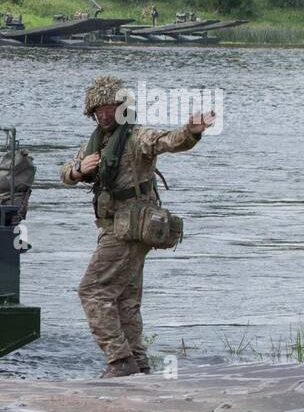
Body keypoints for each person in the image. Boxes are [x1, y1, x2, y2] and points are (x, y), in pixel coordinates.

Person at [60, 75, 217, 377]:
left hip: (128, 229)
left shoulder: (137, 136)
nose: (105, 115)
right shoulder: (97, 143)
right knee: (125, 299)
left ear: (122, 108)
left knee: (92, 291)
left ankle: (120, 361)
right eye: (99, 110)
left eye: (110, 108)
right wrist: (79, 170)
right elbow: (64, 172)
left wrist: (191, 132)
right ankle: (138, 363)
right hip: (114, 226)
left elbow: (166, 141)